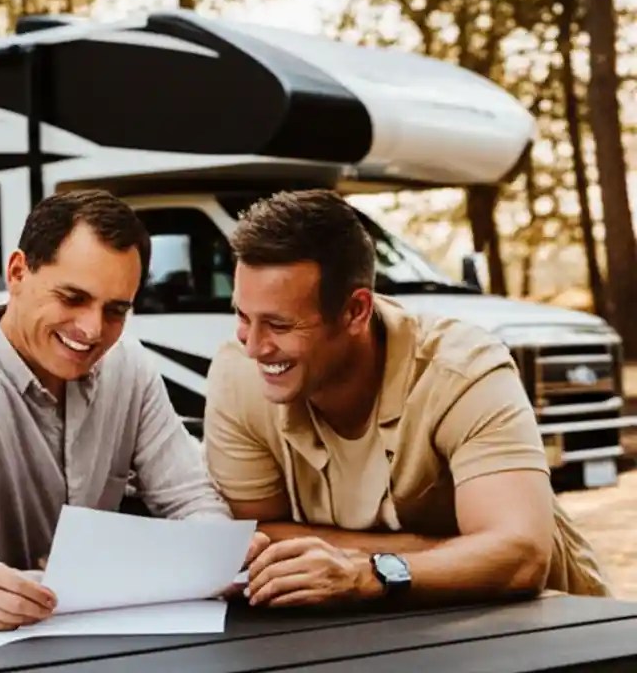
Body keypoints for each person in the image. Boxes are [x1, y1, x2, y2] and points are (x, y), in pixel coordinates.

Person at [201, 188, 613, 609]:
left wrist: (369, 571)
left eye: (279, 325)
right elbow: (257, 535)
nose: (253, 345)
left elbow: (520, 557)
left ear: (356, 311)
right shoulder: (238, 376)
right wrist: (439, 549)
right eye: (242, 316)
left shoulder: (461, 369)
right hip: (370, 629)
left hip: (546, 621)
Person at [0, 189, 267, 630]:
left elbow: (190, 496)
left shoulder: (128, 368)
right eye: (72, 298)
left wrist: (220, 554)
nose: (92, 330)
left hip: (82, 634)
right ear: (17, 273)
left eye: (116, 310)